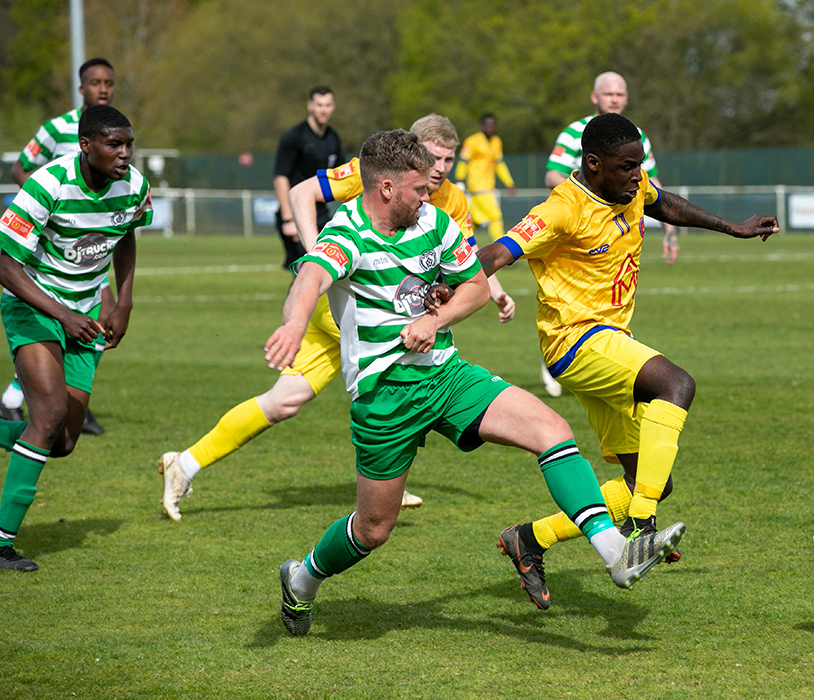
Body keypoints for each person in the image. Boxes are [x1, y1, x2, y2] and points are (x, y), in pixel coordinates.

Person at [263, 129, 681, 634]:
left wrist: (434, 322)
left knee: (552, 430)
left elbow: (476, 287)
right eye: (419, 189)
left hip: (448, 376)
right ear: (388, 188)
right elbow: (310, 279)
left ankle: (615, 553)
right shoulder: (346, 234)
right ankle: (302, 578)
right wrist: (292, 322)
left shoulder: (435, 221)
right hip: (385, 397)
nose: (430, 196)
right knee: (374, 529)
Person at [479, 113, 779, 609]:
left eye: (639, 167)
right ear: (593, 164)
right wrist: (452, 282)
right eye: (626, 167)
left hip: (608, 340)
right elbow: (499, 250)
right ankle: (640, 528)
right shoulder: (562, 209)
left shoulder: (630, 184)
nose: (637, 176)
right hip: (574, 341)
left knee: (650, 482)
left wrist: (732, 227)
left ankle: (529, 539)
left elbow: (665, 203)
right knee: (676, 384)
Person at [157, 114, 516, 520]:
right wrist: (327, 263)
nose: (439, 169)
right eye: (433, 158)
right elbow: (301, 193)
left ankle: (184, 464)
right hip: (355, 311)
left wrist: (496, 292)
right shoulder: (377, 176)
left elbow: (466, 265)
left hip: (376, 312)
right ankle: (385, 473)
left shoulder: (452, 200)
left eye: (449, 160)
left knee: (283, 401)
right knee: (398, 367)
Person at [0, 105, 151, 571]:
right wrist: (61, 313)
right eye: (114, 144)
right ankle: (2, 540)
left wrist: (123, 301)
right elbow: (5, 264)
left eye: (128, 144)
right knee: (45, 417)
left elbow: (125, 235)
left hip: (84, 316)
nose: (124, 154)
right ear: (86, 146)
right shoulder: (47, 185)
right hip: (34, 307)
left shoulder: (135, 186)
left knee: (62, 440)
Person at [538, 71, 677, 397]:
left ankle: (601, 358)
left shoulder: (637, 135)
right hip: (575, 233)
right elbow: (552, 174)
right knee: (568, 301)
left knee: (612, 297)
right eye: (608, 94)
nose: (615, 99)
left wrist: (671, 233)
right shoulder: (575, 132)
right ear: (595, 97)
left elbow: (653, 187)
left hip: (618, 231)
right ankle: (558, 354)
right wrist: (589, 208)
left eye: (620, 94)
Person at [3, 58, 119, 436]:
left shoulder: (114, 129)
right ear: (81, 88)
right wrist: (45, 207)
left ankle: (69, 406)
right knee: (52, 327)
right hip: (52, 247)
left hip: (91, 248)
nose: (103, 89)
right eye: (95, 82)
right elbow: (21, 168)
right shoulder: (56, 129)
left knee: (98, 323)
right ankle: (21, 402)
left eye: (109, 83)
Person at [272, 86, 344, 270]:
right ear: (310, 106)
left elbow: (343, 175)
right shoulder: (294, 137)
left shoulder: (333, 138)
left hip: (320, 212)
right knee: (307, 271)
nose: (323, 109)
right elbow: (281, 178)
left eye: (327, 105)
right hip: (296, 212)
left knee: (326, 269)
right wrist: (289, 220)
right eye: (319, 105)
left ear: (333, 107)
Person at [455, 114, 515, 242]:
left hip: (488, 186)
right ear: (482, 126)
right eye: (487, 125)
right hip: (478, 187)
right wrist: (459, 180)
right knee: (495, 217)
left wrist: (509, 182)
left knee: (474, 222)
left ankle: (459, 245)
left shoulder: (497, 142)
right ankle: (502, 247)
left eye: (493, 125)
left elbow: (499, 164)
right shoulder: (472, 141)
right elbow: (463, 161)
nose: (490, 128)